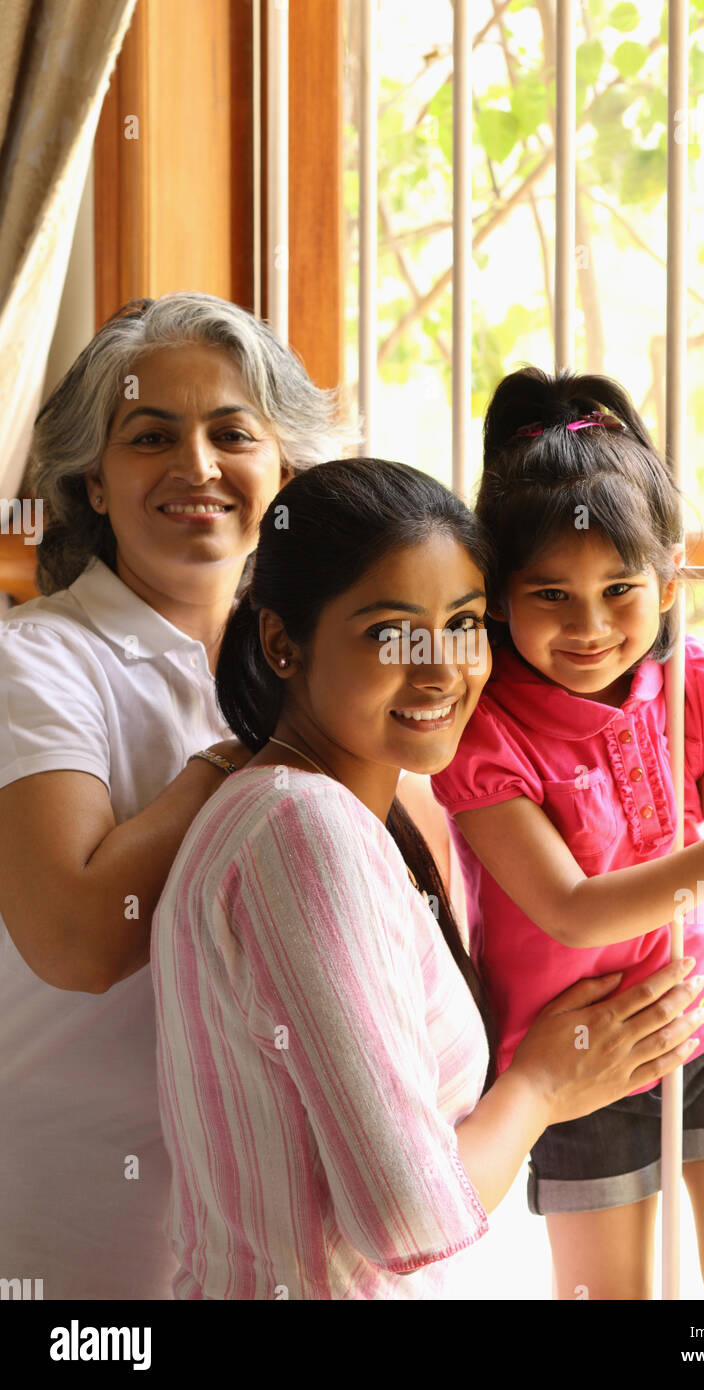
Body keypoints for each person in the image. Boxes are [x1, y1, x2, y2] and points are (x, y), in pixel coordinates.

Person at [150, 457, 704, 1300]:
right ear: (281, 642)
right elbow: (407, 1220)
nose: (444, 668)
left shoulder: (327, 816)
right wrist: (544, 1085)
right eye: (391, 632)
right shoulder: (303, 831)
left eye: (465, 623)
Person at [430, 368, 704, 1301]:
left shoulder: (693, 678)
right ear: (497, 596)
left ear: (669, 579)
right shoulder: (486, 729)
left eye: (620, 589)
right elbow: (570, 913)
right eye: (551, 596)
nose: (591, 626)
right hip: (578, 1055)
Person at [0, 291, 343, 1299]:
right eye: (151, 435)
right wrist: (237, 757)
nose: (195, 466)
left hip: (282, 1219)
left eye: (231, 432)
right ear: (95, 483)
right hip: (76, 1228)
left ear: (282, 469)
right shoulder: (36, 660)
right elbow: (74, 936)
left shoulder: (324, 665)